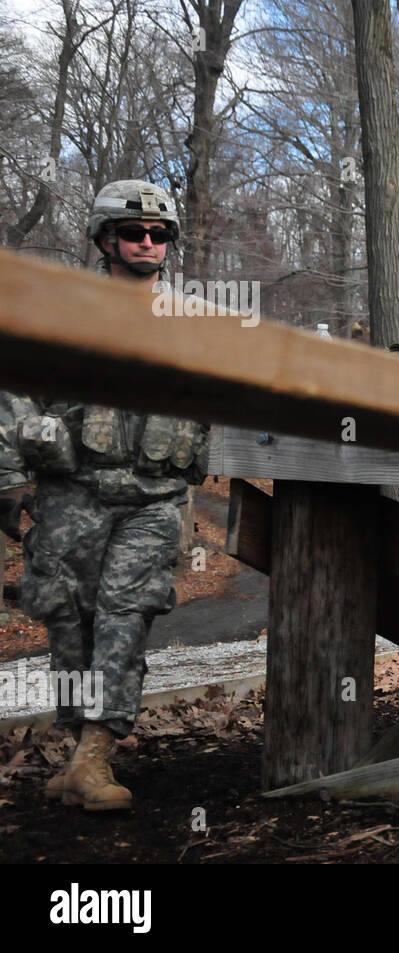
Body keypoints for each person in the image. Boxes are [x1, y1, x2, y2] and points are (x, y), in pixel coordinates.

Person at [0, 179, 209, 811]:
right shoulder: (60, 316)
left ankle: (96, 752)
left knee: (125, 614)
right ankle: (74, 753)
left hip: (153, 498)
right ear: (104, 240)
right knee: (69, 621)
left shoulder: (194, 322)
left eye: (159, 234)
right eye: (132, 233)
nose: (147, 243)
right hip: (71, 496)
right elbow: (12, 397)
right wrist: (11, 484)